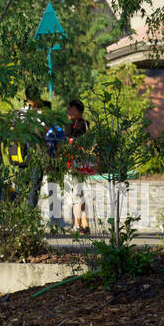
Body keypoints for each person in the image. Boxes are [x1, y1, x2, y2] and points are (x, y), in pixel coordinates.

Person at [64, 99, 93, 235]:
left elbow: (69, 136)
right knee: (79, 194)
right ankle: (84, 223)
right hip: (80, 164)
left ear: (79, 112)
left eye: (72, 109)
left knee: (76, 195)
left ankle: (77, 224)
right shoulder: (83, 124)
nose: (69, 112)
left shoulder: (80, 125)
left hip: (75, 164)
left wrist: (69, 121)